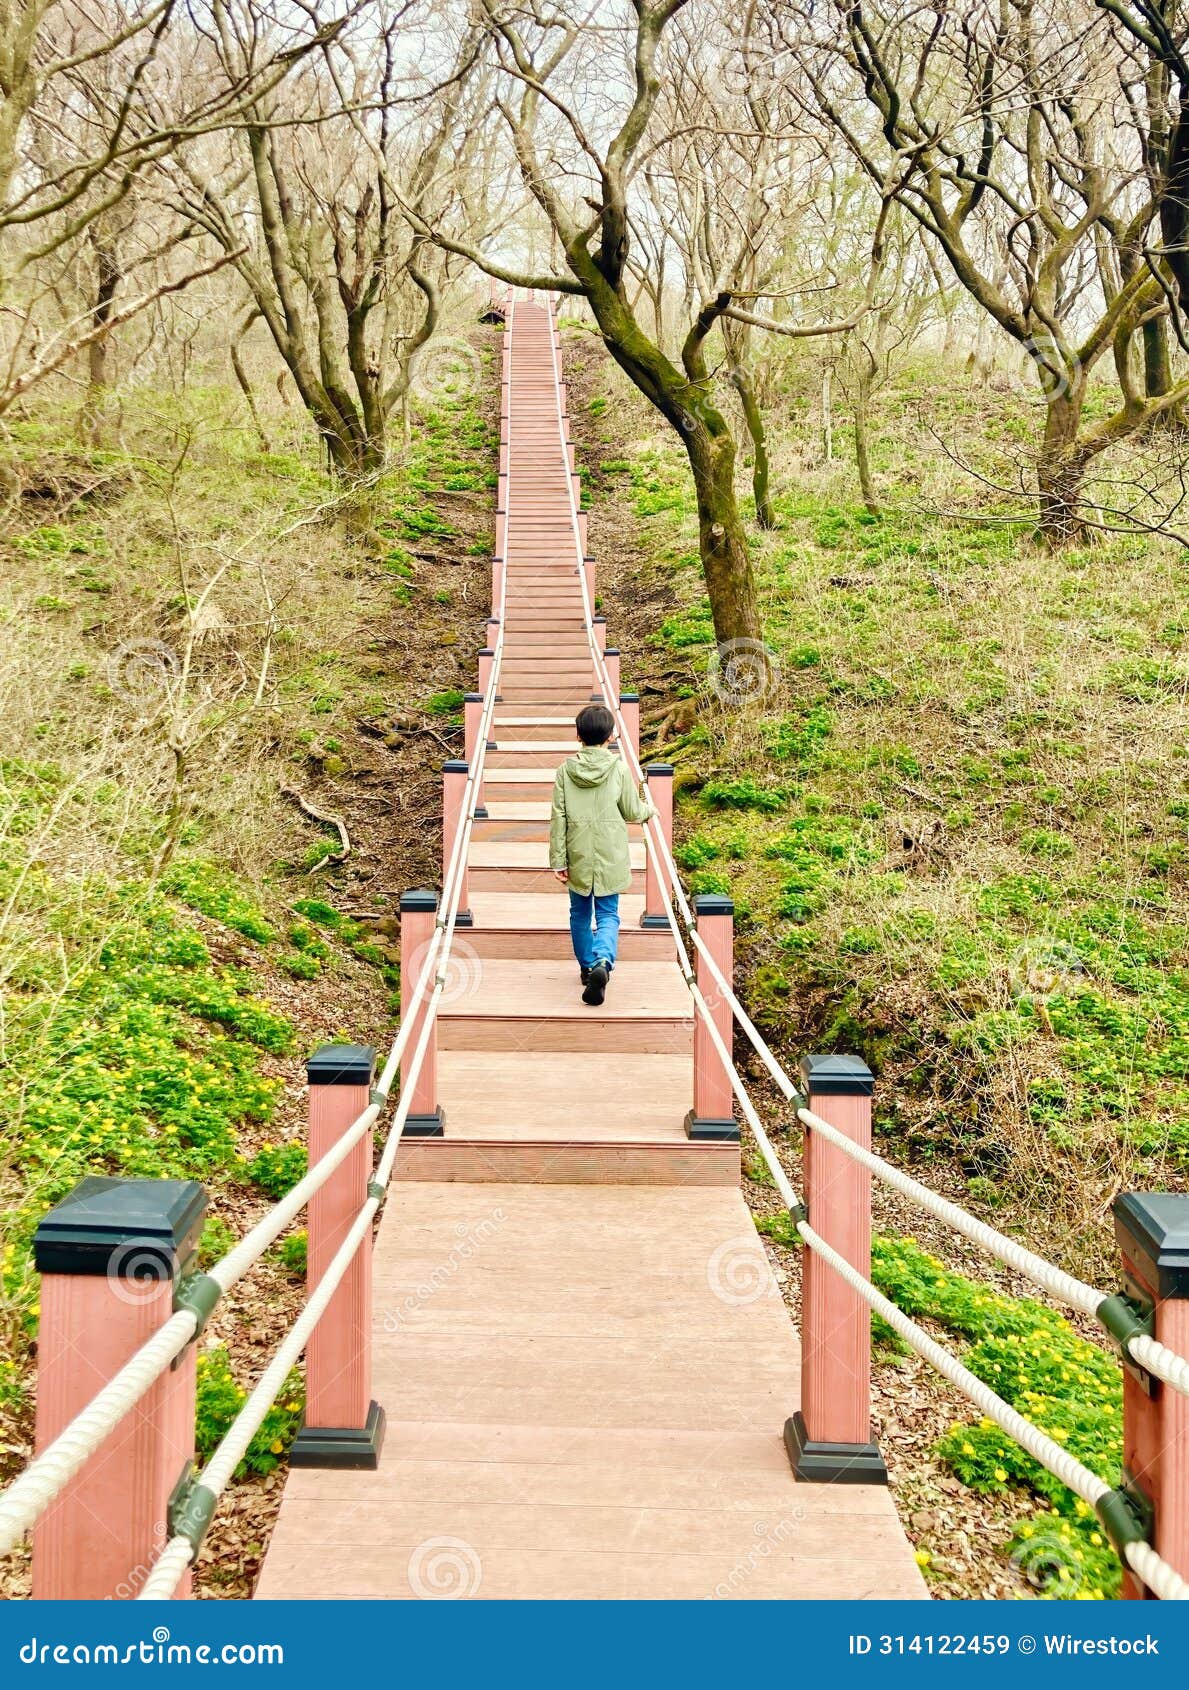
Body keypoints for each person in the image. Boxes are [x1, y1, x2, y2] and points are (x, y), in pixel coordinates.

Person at [549, 702, 657, 1005]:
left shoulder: (564, 771)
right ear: (610, 736)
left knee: (579, 914)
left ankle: (587, 967)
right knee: (608, 913)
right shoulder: (619, 768)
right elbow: (633, 811)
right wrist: (652, 808)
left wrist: (558, 859)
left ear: (578, 736)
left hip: (577, 853)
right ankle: (603, 962)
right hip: (610, 853)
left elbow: (558, 817)